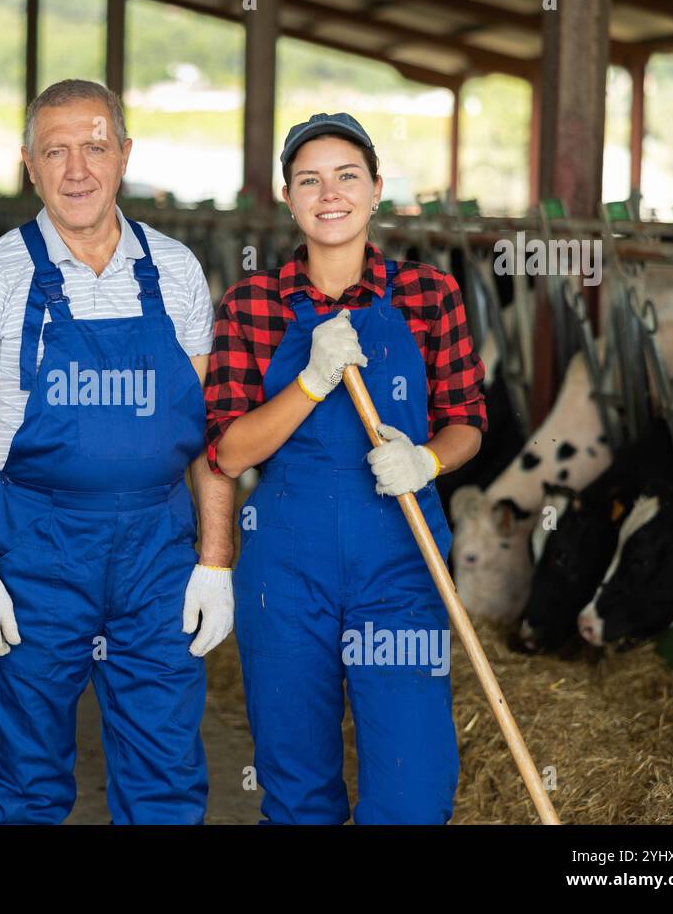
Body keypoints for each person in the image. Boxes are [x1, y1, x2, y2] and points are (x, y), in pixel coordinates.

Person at [0, 79, 237, 824]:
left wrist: (216, 561)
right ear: (29, 167)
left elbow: (211, 434)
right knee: (23, 781)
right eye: (55, 151)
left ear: (124, 156)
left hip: (156, 555)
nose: (77, 170)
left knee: (165, 776)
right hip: (38, 550)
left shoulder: (176, 272)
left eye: (95, 147)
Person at [205, 113, 487, 824]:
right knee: (298, 788)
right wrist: (310, 381)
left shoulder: (429, 296)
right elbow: (230, 450)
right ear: (289, 200)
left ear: (377, 189)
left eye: (346, 176)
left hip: (400, 562)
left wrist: (425, 459)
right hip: (286, 575)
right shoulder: (251, 308)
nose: (329, 194)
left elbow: (469, 423)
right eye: (310, 180)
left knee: (413, 790)